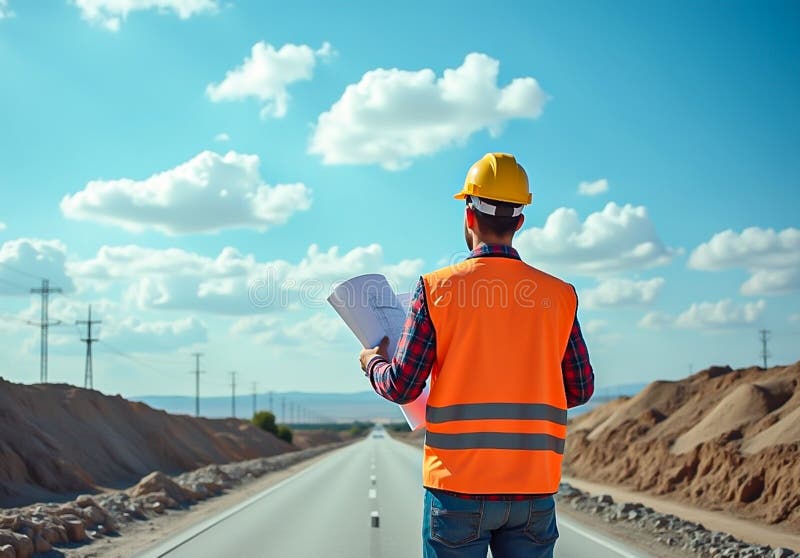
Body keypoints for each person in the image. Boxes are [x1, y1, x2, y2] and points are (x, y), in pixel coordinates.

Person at [359, 153, 594, 558]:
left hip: (457, 490)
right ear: (520, 221)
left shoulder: (435, 289)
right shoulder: (560, 296)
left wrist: (372, 363)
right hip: (533, 490)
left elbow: (403, 385)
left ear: (469, 215)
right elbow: (580, 388)